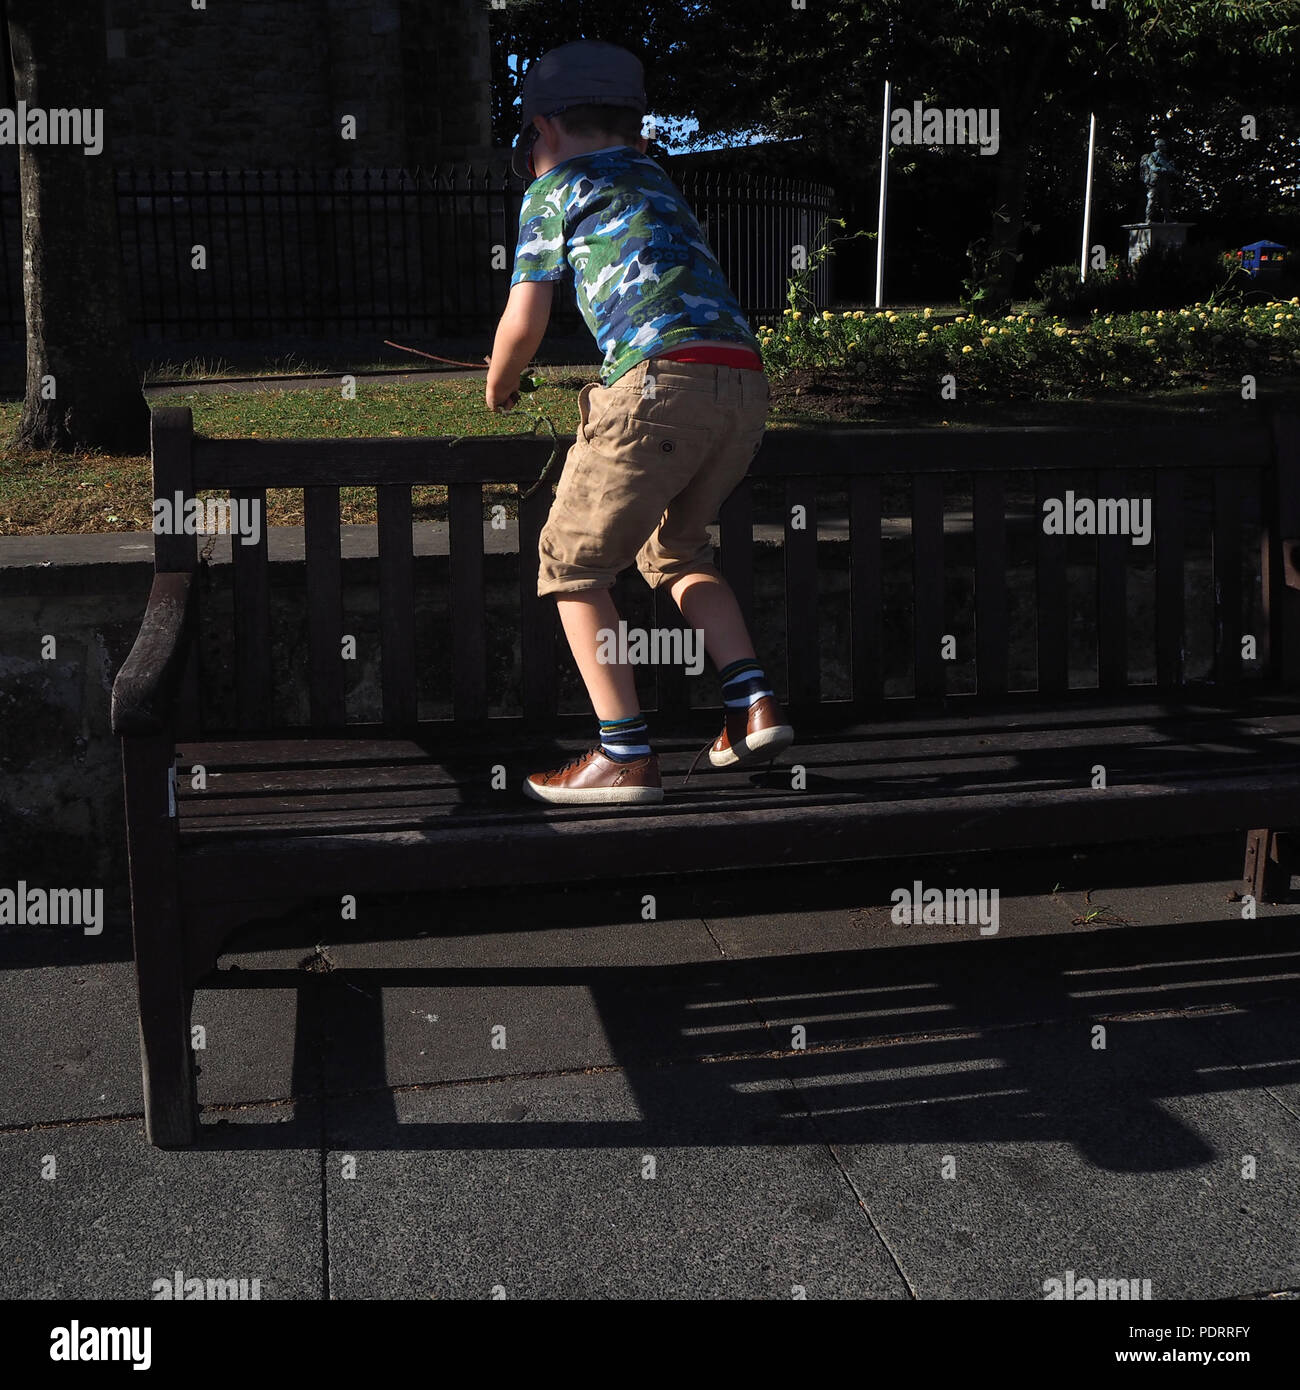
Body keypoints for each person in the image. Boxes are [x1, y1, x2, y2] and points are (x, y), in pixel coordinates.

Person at [486, 40, 793, 805]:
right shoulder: (655, 177)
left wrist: (500, 384)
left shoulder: (557, 188)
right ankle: (753, 705)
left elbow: (524, 321)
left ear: (546, 127)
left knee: (573, 565)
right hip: (744, 383)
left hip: (658, 385)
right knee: (678, 550)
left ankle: (623, 754)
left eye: (527, 135)